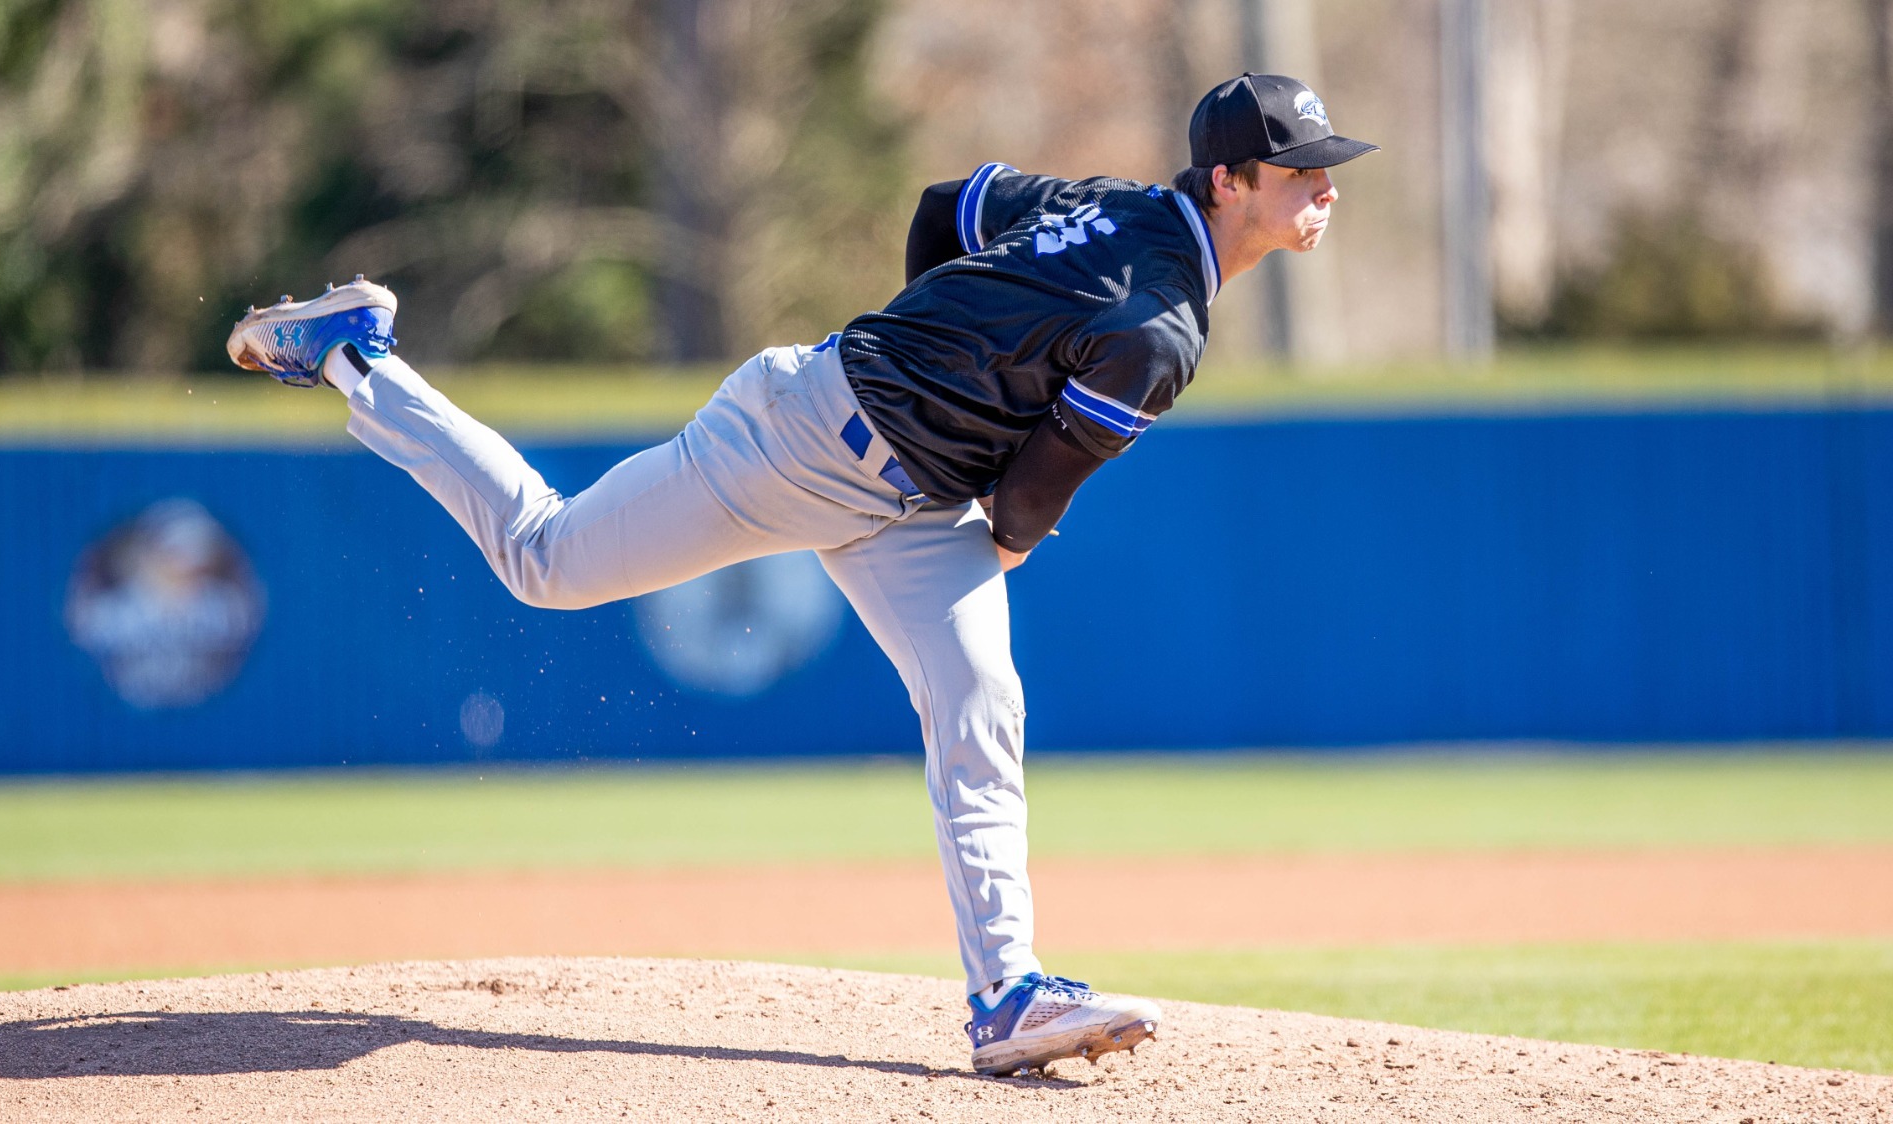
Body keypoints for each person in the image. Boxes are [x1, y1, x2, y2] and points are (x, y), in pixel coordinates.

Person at [227, 72, 1375, 1076]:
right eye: (1298, 170)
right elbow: (1026, 503)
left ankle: (1008, 993)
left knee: (981, 703)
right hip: (801, 440)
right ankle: (354, 353)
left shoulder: (1111, 206)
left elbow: (946, 210)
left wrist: (938, 346)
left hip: (905, 486)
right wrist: (940, 399)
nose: (1322, 186)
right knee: (545, 560)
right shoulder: (1162, 323)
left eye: (1323, 168)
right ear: (1228, 182)